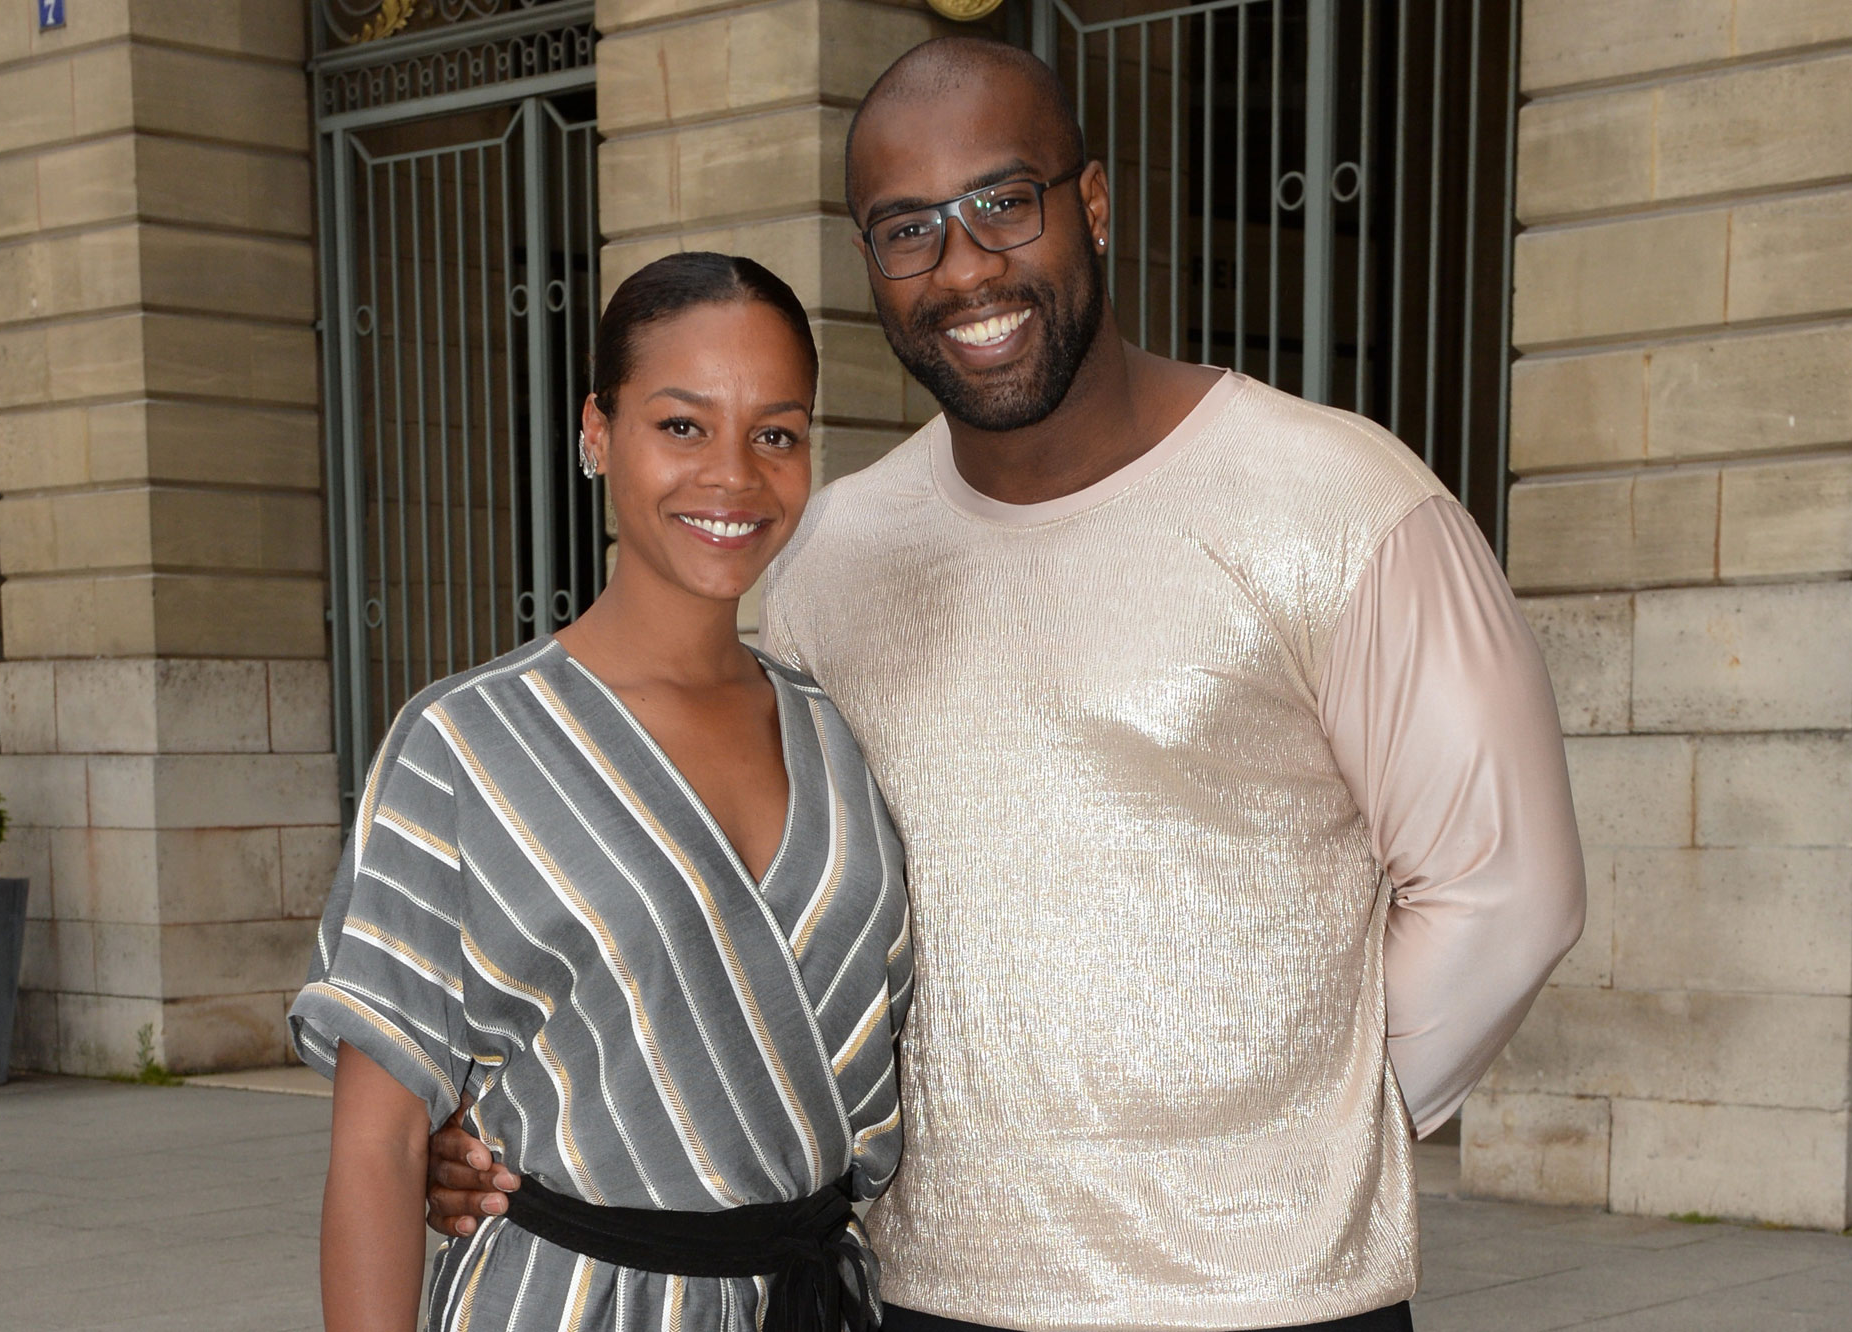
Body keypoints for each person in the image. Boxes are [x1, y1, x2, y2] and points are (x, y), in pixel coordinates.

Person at [425, 36, 1586, 1332]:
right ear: (871, 266)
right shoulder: (830, 560)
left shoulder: (1338, 502)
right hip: (917, 1293)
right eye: (908, 228)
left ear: (1092, 205)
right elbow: (736, 915)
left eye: (1002, 203)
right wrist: (520, 1113)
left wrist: (1303, 1151)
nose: (964, 264)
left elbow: (1508, 890)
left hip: (1257, 1302)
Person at [294, 252, 910, 1332]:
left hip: (809, 1302)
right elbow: (378, 1148)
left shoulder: (835, 736)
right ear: (596, 430)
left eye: (775, 433)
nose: (732, 475)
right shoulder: (462, 745)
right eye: (681, 425)